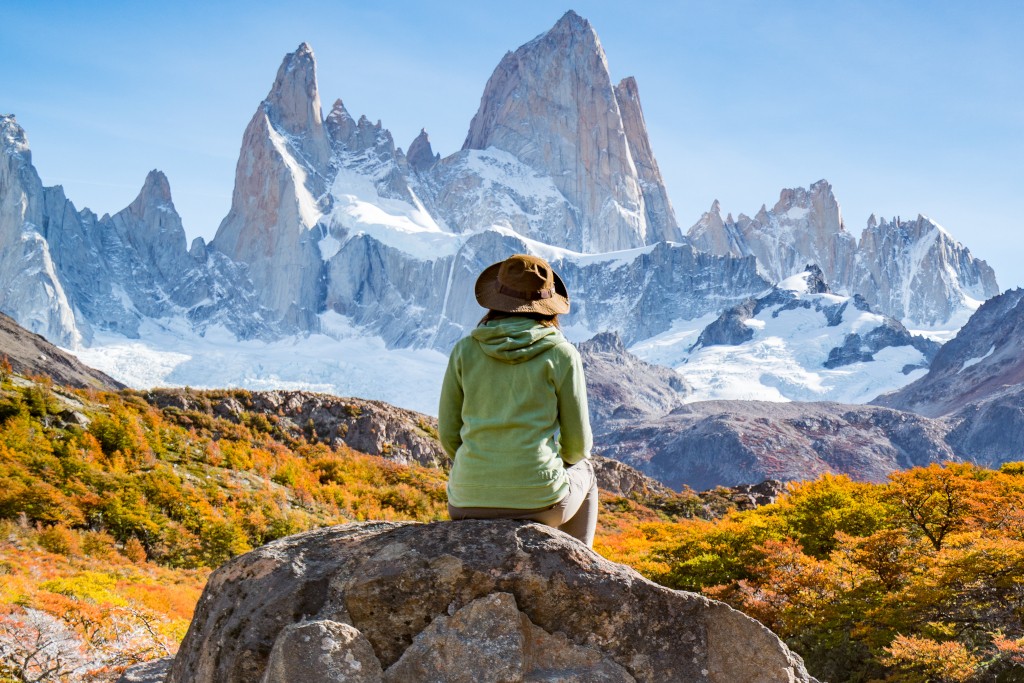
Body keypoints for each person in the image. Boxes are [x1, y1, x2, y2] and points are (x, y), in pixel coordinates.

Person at [439, 254, 598, 547]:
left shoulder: (465, 350)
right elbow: (578, 446)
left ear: (495, 300)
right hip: (541, 503)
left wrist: (484, 473)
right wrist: (541, 469)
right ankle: (580, 568)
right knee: (586, 471)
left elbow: (449, 435)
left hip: (466, 502)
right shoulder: (562, 354)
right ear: (548, 306)